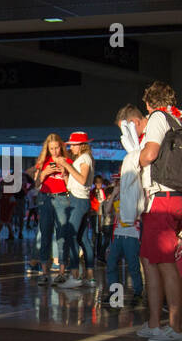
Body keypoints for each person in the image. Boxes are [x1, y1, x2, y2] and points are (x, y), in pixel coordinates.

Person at [135, 81, 182, 341]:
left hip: (160, 200)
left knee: (165, 265)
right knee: (151, 263)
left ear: (149, 103)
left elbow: (150, 153)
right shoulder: (180, 122)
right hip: (176, 199)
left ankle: (175, 328)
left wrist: (133, 160)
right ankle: (154, 323)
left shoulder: (158, 118)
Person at [104, 106, 145, 307]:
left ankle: (138, 293)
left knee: (133, 267)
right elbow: (107, 211)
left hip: (132, 232)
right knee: (112, 265)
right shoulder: (121, 189)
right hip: (119, 232)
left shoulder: (137, 175)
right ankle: (115, 296)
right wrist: (114, 194)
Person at [55, 132, 96, 288]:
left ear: (81, 145)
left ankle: (75, 275)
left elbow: (82, 179)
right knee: (83, 239)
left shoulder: (84, 159)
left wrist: (67, 165)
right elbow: (76, 182)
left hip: (78, 201)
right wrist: (66, 174)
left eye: (73, 144)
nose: (71, 147)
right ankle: (90, 276)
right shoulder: (82, 159)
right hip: (79, 199)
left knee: (71, 236)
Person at [30, 134, 70, 285]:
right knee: (45, 233)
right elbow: (36, 185)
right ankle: (44, 272)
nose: (54, 151)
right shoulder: (42, 162)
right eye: (51, 148)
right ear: (47, 148)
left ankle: (61, 272)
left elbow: (71, 185)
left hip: (62, 198)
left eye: (56, 147)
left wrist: (65, 171)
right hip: (45, 198)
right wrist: (44, 172)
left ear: (61, 147)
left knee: (62, 234)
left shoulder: (68, 161)